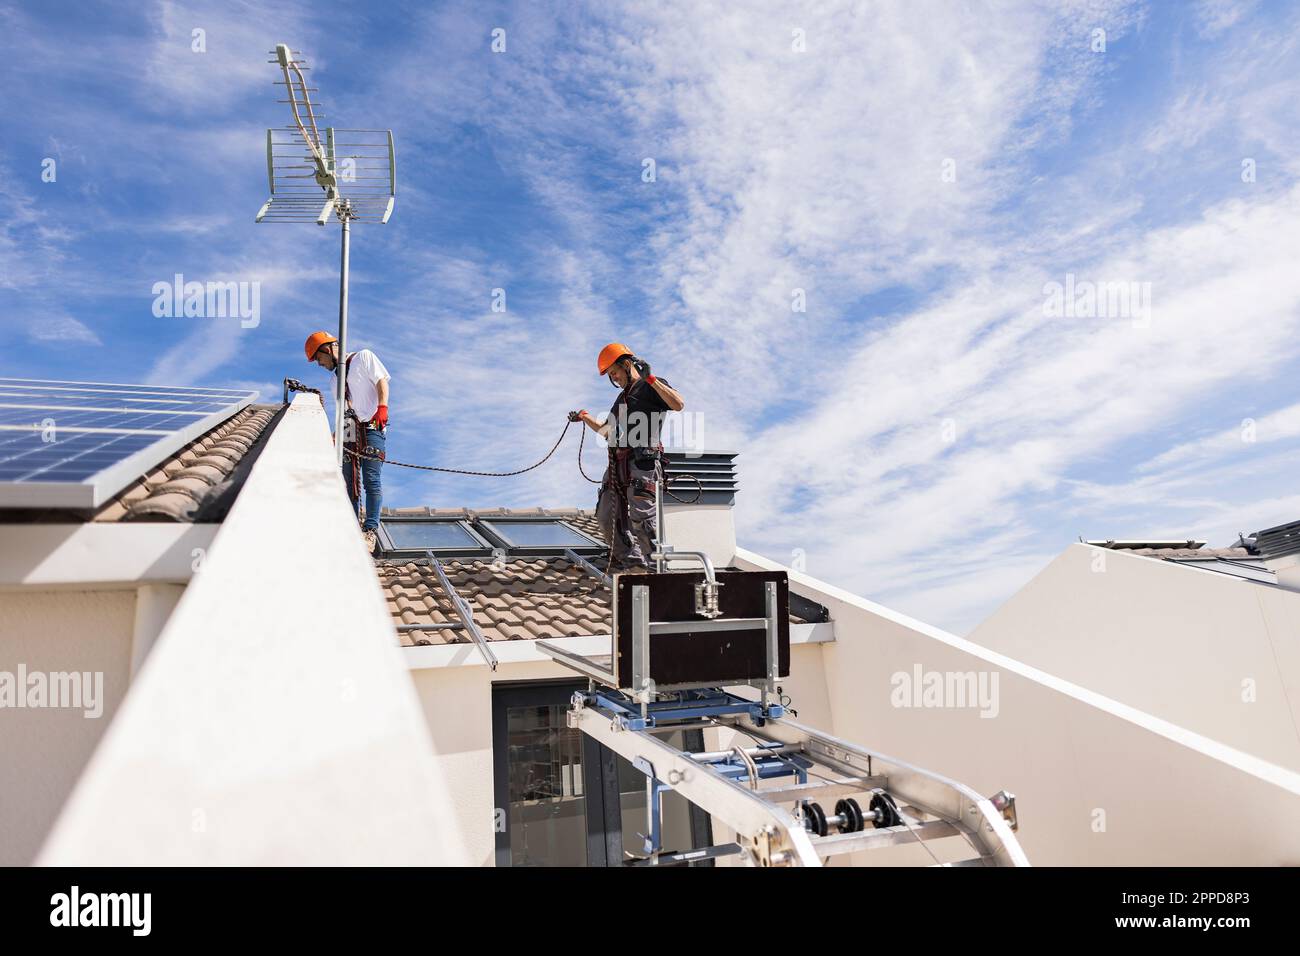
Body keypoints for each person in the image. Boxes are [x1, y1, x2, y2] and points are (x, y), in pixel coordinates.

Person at [571, 343, 684, 571]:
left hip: (642, 463)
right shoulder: (622, 400)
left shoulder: (650, 385)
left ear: (626, 364)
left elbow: (678, 404)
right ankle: (633, 563)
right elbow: (607, 432)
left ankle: (656, 569)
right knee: (605, 516)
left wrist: (651, 378)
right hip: (618, 465)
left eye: (614, 372)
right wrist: (584, 417)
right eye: (610, 375)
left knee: (642, 517)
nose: (614, 378)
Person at [304, 330, 391, 554]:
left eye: (318, 358)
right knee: (348, 479)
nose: (318, 364)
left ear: (328, 349)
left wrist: (382, 407)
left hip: (371, 423)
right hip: (349, 427)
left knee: (371, 478)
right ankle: (352, 529)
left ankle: (369, 530)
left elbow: (381, 381)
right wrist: (337, 435)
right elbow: (343, 410)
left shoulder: (363, 357)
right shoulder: (334, 380)